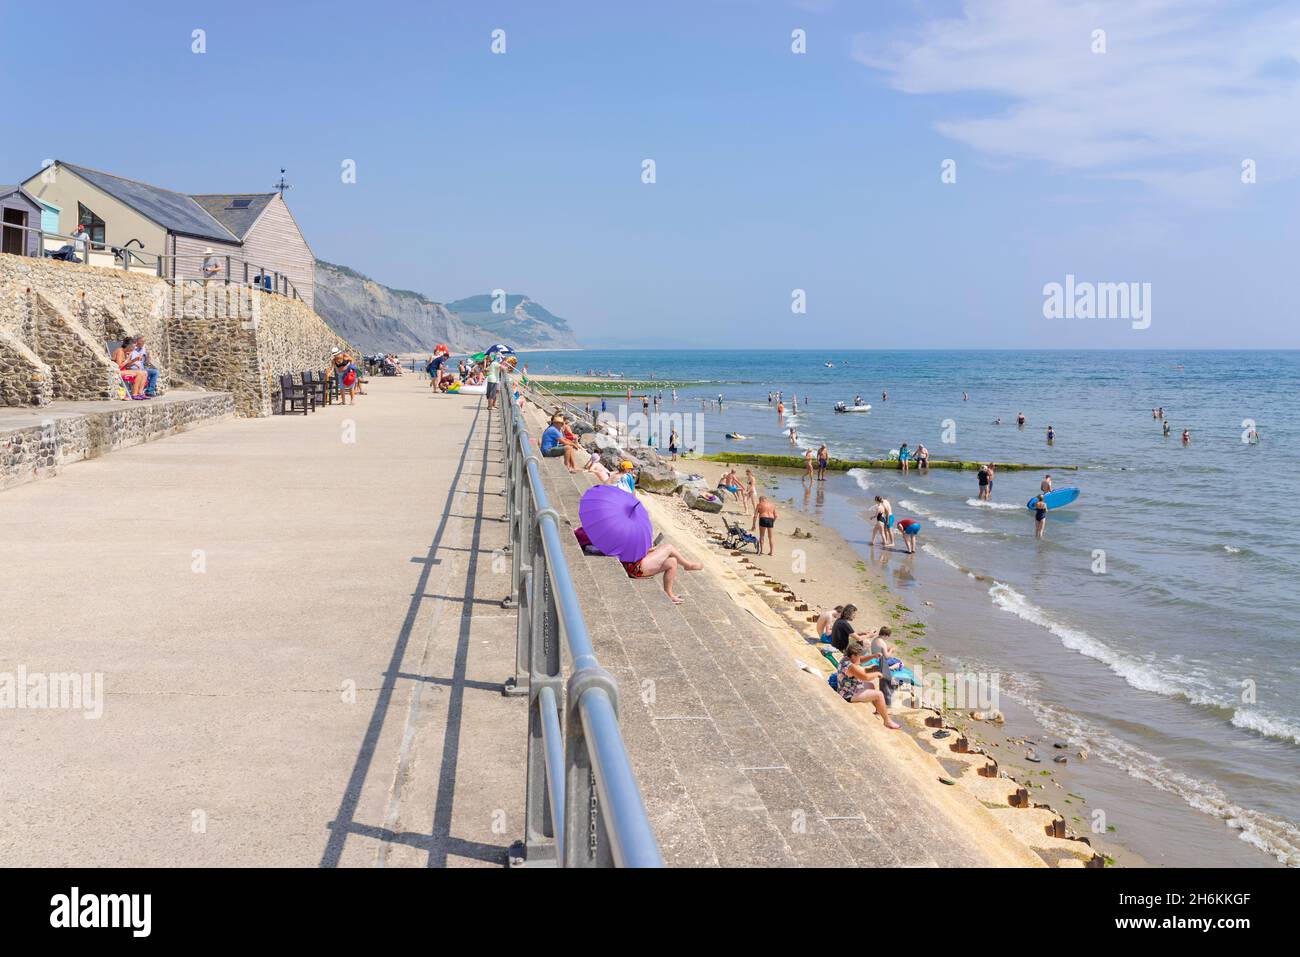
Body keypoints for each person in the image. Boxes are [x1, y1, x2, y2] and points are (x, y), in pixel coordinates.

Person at [834, 640, 901, 729]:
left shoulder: (845, 658)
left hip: (846, 688)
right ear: (853, 656)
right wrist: (878, 674)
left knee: (871, 686)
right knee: (879, 694)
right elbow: (865, 677)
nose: (860, 657)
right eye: (859, 655)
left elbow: (860, 660)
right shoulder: (851, 667)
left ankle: (879, 710)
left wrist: (874, 656)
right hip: (848, 694)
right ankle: (887, 721)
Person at [621, 541, 703, 604]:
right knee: (669, 547)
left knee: (672, 561)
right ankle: (687, 565)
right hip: (636, 567)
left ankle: (669, 594)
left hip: (635, 566)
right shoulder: (632, 532)